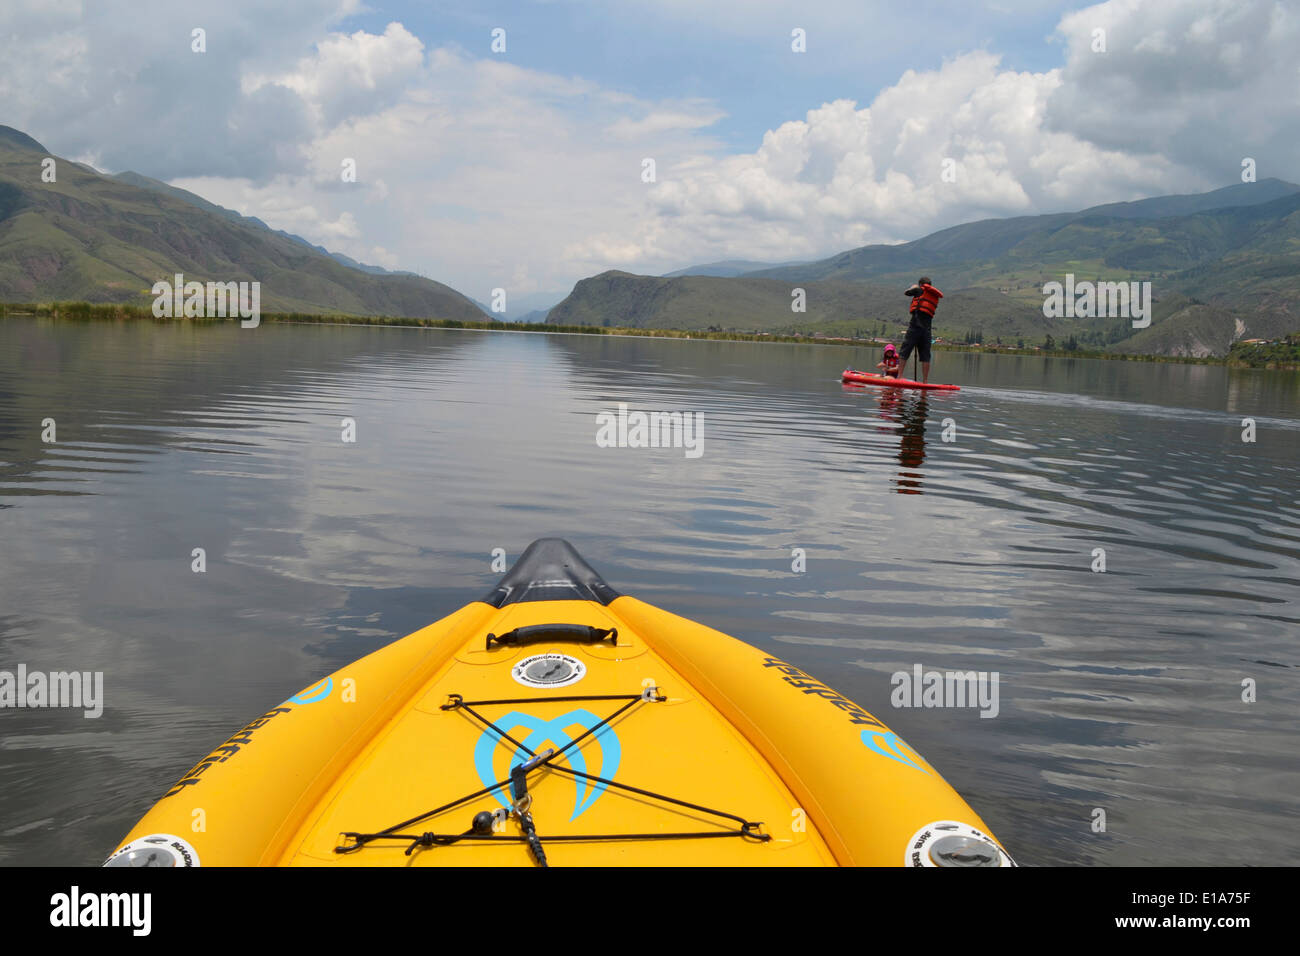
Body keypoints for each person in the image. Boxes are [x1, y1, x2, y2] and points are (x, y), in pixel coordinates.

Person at [898, 276, 943, 383]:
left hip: (915, 326)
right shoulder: (934, 296)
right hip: (927, 330)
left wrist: (913, 287)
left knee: (904, 351)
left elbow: (907, 293)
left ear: (921, 284)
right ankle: (925, 381)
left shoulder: (919, 290)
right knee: (926, 356)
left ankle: (899, 377)